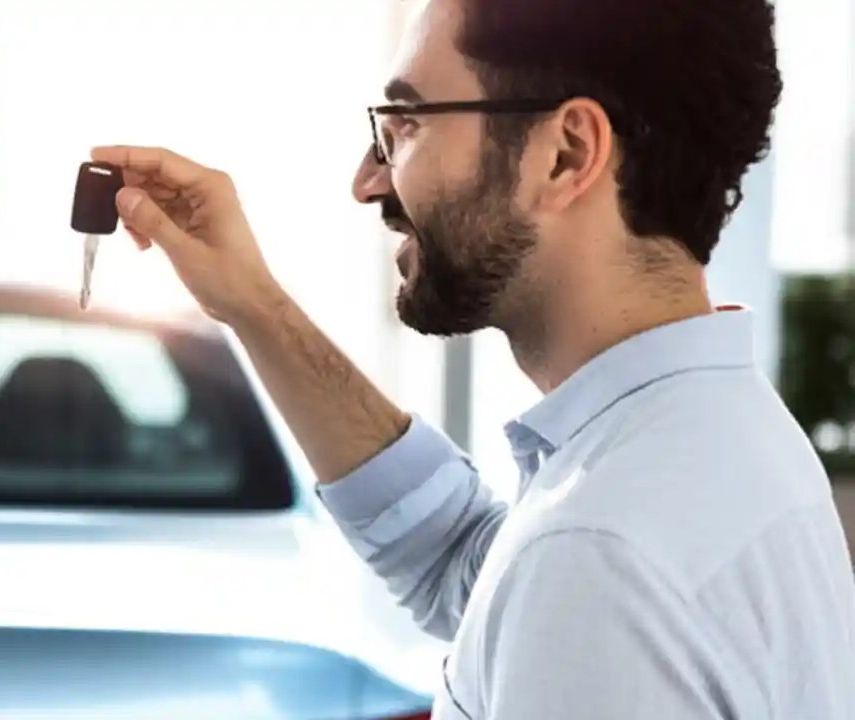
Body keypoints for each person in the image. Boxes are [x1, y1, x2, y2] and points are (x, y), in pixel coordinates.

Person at [91, 0, 855, 717]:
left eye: (407, 125)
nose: (368, 182)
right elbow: (470, 566)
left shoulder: (599, 555)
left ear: (565, 155)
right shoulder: (722, 442)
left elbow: (554, 572)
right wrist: (255, 306)